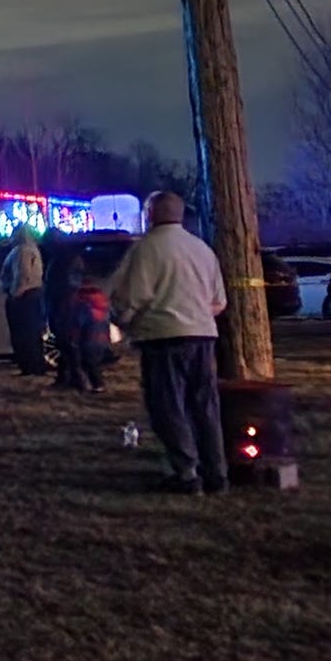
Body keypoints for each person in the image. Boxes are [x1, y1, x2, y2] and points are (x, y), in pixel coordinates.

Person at [106, 191, 229, 494]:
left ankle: (185, 473)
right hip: (202, 336)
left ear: (150, 214)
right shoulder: (202, 250)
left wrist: (122, 322)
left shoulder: (146, 250)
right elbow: (219, 302)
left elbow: (130, 297)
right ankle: (217, 472)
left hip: (163, 336)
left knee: (168, 407)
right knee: (205, 407)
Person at [46, 244, 110, 394]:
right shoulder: (65, 261)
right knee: (69, 348)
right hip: (65, 308)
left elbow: (67, 286)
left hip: (65, 308)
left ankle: (88, 381)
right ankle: (75, 379)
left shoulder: (66, 264)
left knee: (75, 350)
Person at [0, 224, 48, 377]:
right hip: (34, 294)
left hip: (24, 297)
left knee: (23, 334)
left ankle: (29, 365)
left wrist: (15, 294)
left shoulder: (21, 251)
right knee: (33, 333)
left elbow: (22, 274)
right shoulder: (33, 250)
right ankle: (36, 365)